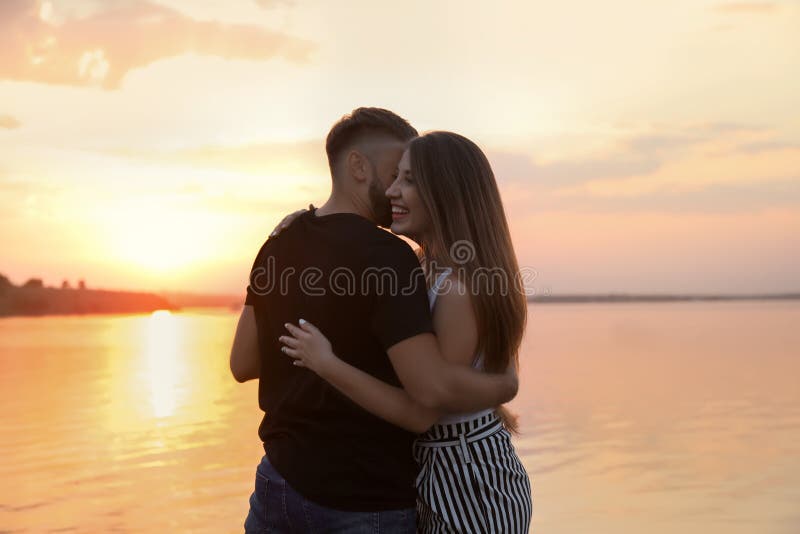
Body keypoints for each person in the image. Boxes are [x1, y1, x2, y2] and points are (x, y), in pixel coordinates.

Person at [229, 109, 519, 533]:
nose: (396, 188)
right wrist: (505, 384)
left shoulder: (278, 243)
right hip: (364, 497)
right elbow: (427, 400)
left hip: (280, 482)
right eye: (395, 170)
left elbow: (243, 365)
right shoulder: (392, 258)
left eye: (410, 177)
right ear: (359, 166)